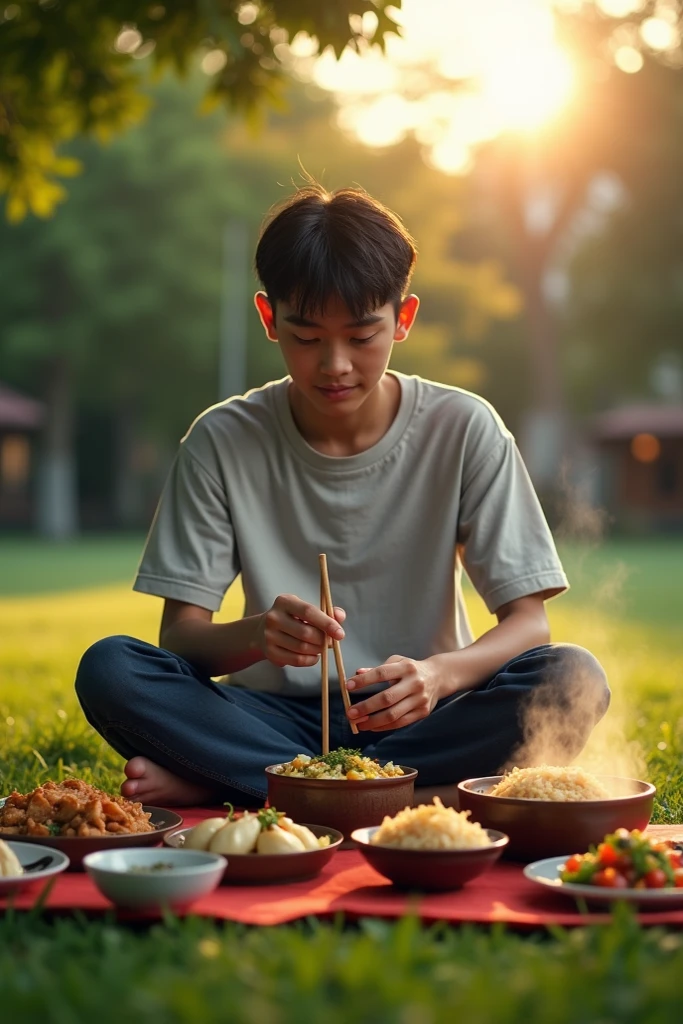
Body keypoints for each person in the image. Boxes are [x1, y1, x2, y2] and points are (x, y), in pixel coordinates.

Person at [75, 183, 610, 808]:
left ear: (402, 319)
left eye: (361, 337)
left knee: (572, 675)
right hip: (271, 718)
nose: (334, 364)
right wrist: (258, 636)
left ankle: (252, 787)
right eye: (306, 337)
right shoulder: (220, 440)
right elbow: (181, 640)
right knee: (111, 667)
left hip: (424, 716)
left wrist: (438, 675)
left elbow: (529, 623)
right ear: (268, 317)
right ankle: (412, 794)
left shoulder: (464, 428)